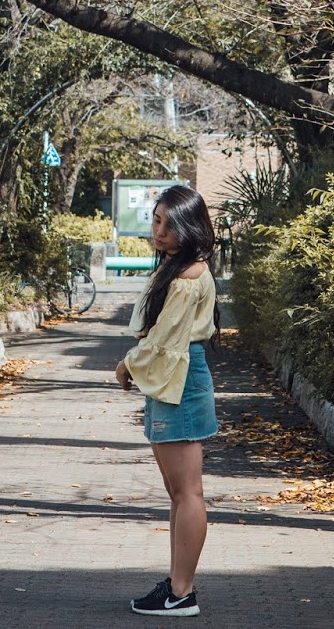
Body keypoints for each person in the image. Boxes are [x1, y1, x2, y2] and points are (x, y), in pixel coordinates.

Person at [115, 185, 220, 617]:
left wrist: (127, 364)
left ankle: (182, 592)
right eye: (155, 220)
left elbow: (164, 340)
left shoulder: (188, 275)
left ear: (187, 226)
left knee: (188, 492)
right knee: (178, 493)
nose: (157, 229)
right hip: (173, 378)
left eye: (166, 222)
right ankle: (177, 587)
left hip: (181, 377)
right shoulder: (177, 267)